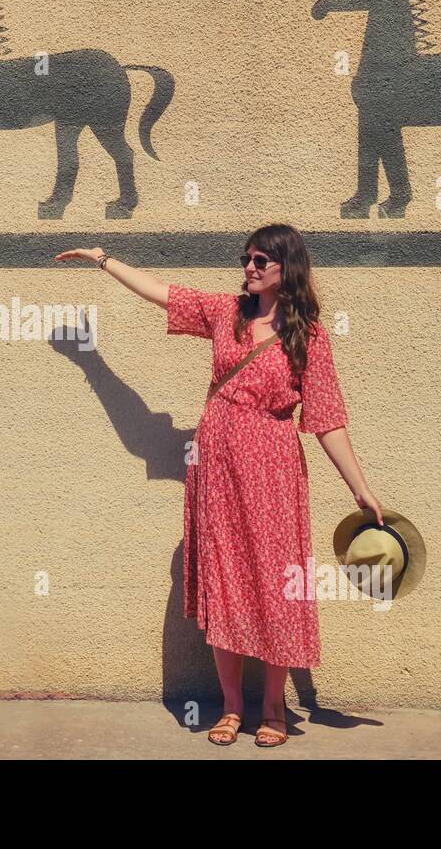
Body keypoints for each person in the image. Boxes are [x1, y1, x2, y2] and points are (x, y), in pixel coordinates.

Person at [54, 224, 383, 748]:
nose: (249, 267)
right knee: (225, 581)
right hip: (218, 472)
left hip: (273, 473)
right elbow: (160, 292)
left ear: (286, 268)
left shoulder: (309, 336)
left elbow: (327, 420)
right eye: (246, 258)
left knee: (276, 584)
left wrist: (359, 489)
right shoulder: (227, 314)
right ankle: (232, 707)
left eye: (261, 260)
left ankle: (273, 707)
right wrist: (103, 261)